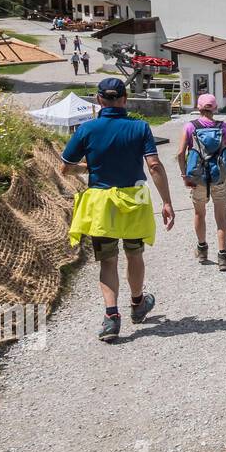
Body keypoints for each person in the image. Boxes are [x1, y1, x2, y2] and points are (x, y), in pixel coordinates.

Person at [61, 77, 175, 342]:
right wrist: (167, 202)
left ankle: (111, 318)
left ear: (99, 100)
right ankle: (137, 304)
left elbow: (66, 167)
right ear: (125, 99)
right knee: (135, 255)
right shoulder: (140, 127)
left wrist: (90, 168)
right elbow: (154, 166)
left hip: (101, 204)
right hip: (133, 202)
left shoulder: (86, 129)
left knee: (108, 261)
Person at [176, 93, 226, 271]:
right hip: (219, 178)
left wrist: (185, 176)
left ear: (198, 107)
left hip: (198, 178)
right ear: (215, 108)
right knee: (221, 217)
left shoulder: (190, 127)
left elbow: (180, 153)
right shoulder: (223, 127)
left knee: (199, 214)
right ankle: (223, 257)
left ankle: (202, 249)